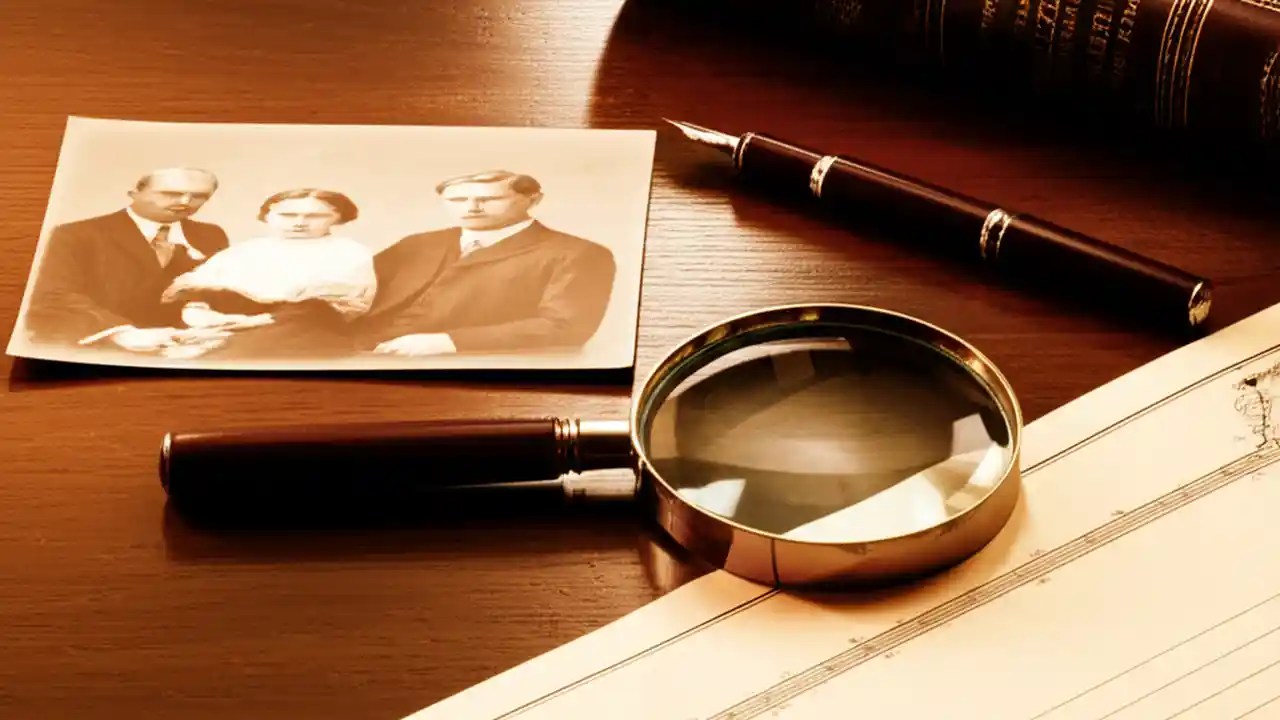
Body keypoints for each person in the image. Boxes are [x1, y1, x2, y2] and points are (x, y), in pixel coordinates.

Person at [359, 170, 617, 357]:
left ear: (534, 199)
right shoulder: (417, 244)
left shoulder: (578, 253)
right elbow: (356, 291)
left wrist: (449, 342)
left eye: (489, 199)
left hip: (459, 365)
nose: (472, 208)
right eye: (457, 200)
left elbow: (565, 327)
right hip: (359, 351)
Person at [20, 167, 229, 352]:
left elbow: (220, 291)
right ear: (134, 193)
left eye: (199, 196)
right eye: (170, 193)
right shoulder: (76, 234)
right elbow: (54, 296)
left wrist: (203, 311)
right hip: (99, 348)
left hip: (186, 349)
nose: (185, 202)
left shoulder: (210, 235)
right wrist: (119, 333)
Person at [159, 188, 376, 359]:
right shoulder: (244, 250)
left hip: (299, 326)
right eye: (287, 215)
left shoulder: (348, 252)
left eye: (315, 216)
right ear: (268, 216)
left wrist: (249, 323)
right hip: (219, 320)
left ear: (338, 218)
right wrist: (203, 316)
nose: (299, 223)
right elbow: (196, 291)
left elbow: (328, 308)